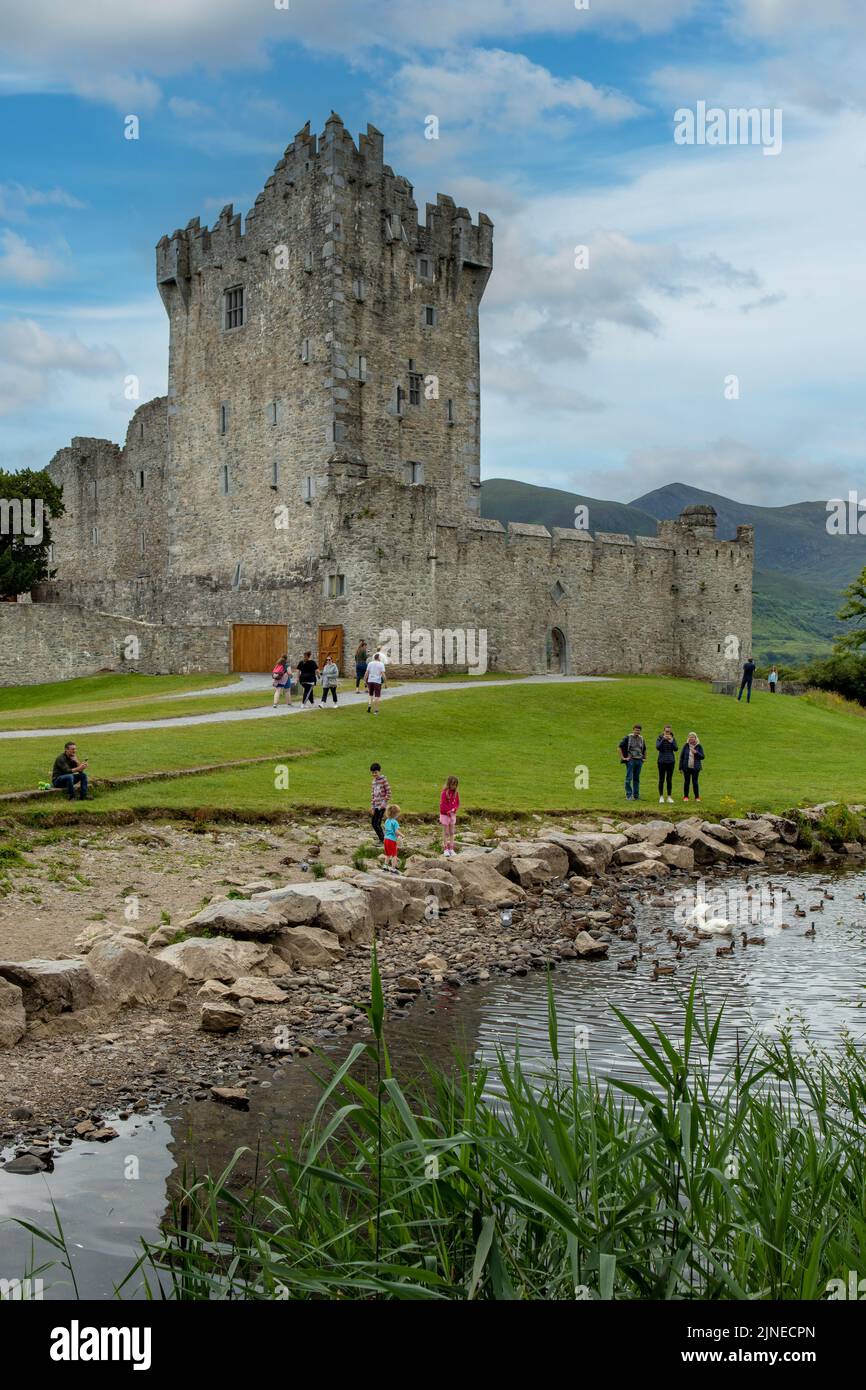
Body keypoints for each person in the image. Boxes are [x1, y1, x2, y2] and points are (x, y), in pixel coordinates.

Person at [618, 724, 646, 801]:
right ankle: (629, 795)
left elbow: (644, 749)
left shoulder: (641, 738)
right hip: (631, 760)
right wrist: (623, 758)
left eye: (639, 730)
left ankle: (636, 795)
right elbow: (619, 747)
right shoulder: (627, 738)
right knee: (629, 778)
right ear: (633, 730)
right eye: (636, 730)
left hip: (639, 760)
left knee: (636, 778)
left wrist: (644, 758)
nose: (637, 731)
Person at [680, 732, 705, 802]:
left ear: (695, 738)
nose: (691, 738)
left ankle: (697, 797)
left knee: (695, 782)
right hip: (686, 767)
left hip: (695, 768)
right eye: (690, 737)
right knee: (686, 782)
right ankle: (685, 797)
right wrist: (680, 767)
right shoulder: (686, 745)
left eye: (692, 737)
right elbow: (681, 757)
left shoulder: (699, 746)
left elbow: (703, 757)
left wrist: (696, 752)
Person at [656, 726, 678, 804]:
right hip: (661, 761)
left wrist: (672, 741)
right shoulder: (659, 738)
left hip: (671, 761)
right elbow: (658, 747)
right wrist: (663, 739)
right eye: (666, 731)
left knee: (669, 779)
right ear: (664, 731)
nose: (667, 733)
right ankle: (661, 796)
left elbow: (676, 749)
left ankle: (669, 796)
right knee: (661, 779)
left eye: (669, 731)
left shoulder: (672, 738)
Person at [370, 762, 391, 843]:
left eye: (376, 772)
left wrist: (383, 803)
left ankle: (383, 840)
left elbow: (389, 792)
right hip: (376, 806)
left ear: (379, 771)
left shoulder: (383, 780)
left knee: (377, 823)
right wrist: (372, 807)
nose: (374, 774)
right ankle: (382, 838)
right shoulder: (373, 782)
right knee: (373, 823)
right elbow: (373, 796)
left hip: (382, 806)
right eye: (372, 773)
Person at [439, 776, 460, 857]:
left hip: (452, 815)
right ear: (449, 784)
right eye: (453, 784)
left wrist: (454, 809)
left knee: (452, 832)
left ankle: (451, 849)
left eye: (455, 785)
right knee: (446, 832)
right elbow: (443, 805)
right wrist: (448, 811)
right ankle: (445, 849)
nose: (454, 786)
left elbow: (457, 803)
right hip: (445, 815)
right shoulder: (444, 793)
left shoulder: (456, 793)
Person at [365, 649, 386, 714]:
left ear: (374, 658)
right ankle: (376, 710)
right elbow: (383, 674)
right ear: (379, 658)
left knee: (370, 694)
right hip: (377, 681)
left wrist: (365, 681)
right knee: (377, 695)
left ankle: (369, 705)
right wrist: (385, 683)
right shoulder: (381, 664)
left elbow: (366, 673)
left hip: (370, 681)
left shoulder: (370, 663)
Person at [383, 804, 402, 872]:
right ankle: (393, 868)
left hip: (386, 839)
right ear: (395, 814)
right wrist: (402, 835)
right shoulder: (395, 822)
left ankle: (385, 865)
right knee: (394, 855)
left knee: (388, 854)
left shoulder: (387, 820)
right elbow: (396, 831)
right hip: (392, 840)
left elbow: (386, 829)